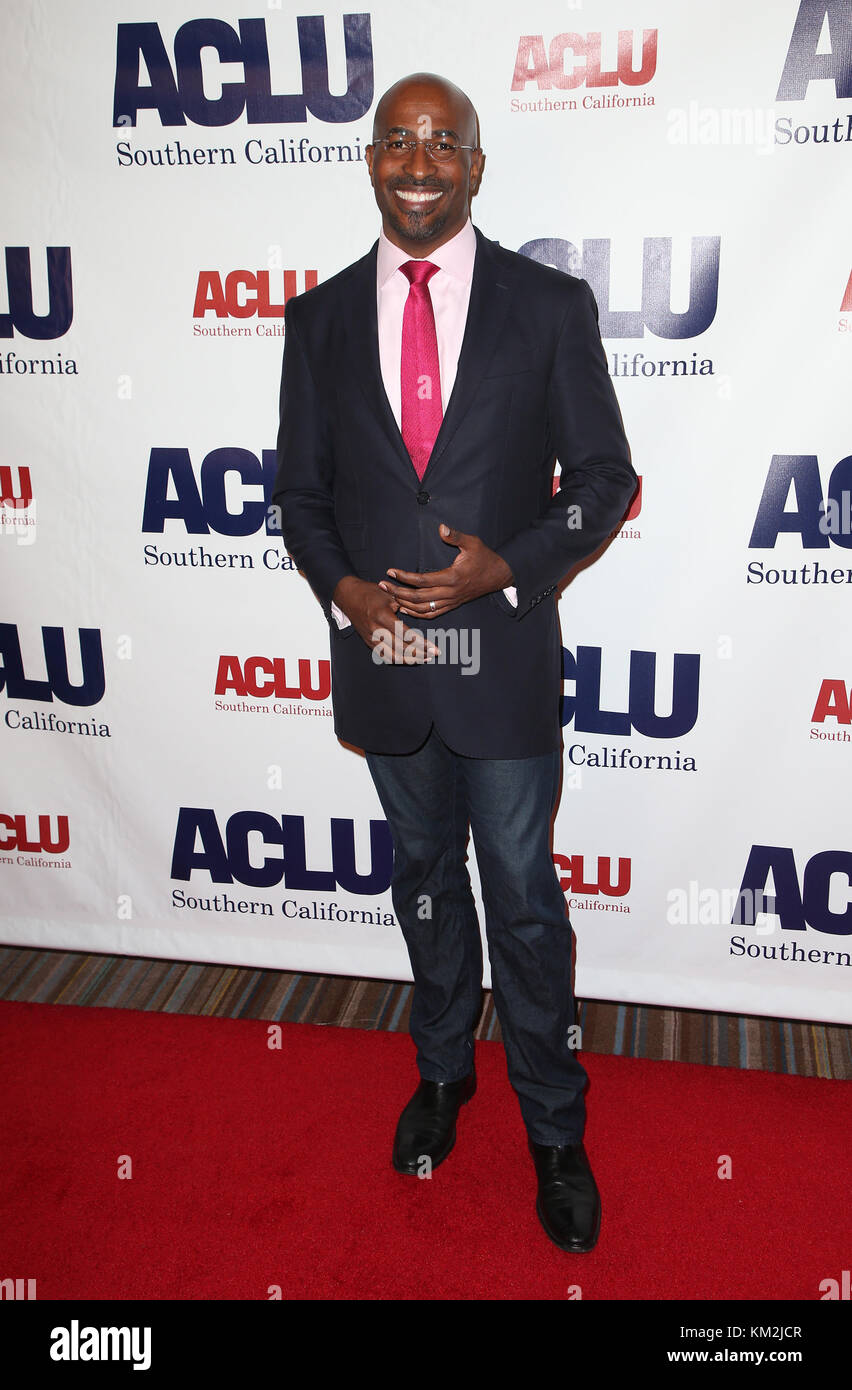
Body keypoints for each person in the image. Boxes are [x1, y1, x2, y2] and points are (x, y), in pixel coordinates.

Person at [273, 72, 636, 1252]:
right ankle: (443, 1075)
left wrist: (507, 570)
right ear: (370, 161)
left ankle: (554, 1124)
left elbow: (603, 481)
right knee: (423, 880)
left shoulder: (548, 306)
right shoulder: (317, 320)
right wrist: (343, 594)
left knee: (526, 903)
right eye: (399, 140)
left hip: (506, 662)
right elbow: (301, 497)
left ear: (477, 167)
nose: (420, 160)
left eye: (445, 142)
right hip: (384, 666)